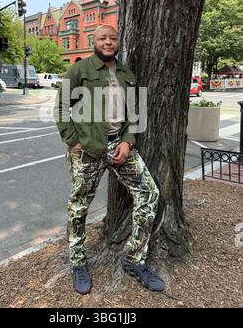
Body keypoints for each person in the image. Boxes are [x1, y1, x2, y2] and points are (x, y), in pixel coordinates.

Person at [54, 25, 165, 295]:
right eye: (102, 38)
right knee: (79, 206)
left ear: (118, 42)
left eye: (112, 38)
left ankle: (134, 260)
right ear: (94, 41)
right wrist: (75, 142)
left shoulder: (127, 74)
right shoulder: (79, 70)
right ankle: (78, 262)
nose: (107, 42)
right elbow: (60, 107)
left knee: (149, 193)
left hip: (119, 145)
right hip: (87, 149)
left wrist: (128, 141)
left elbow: (136, 111)